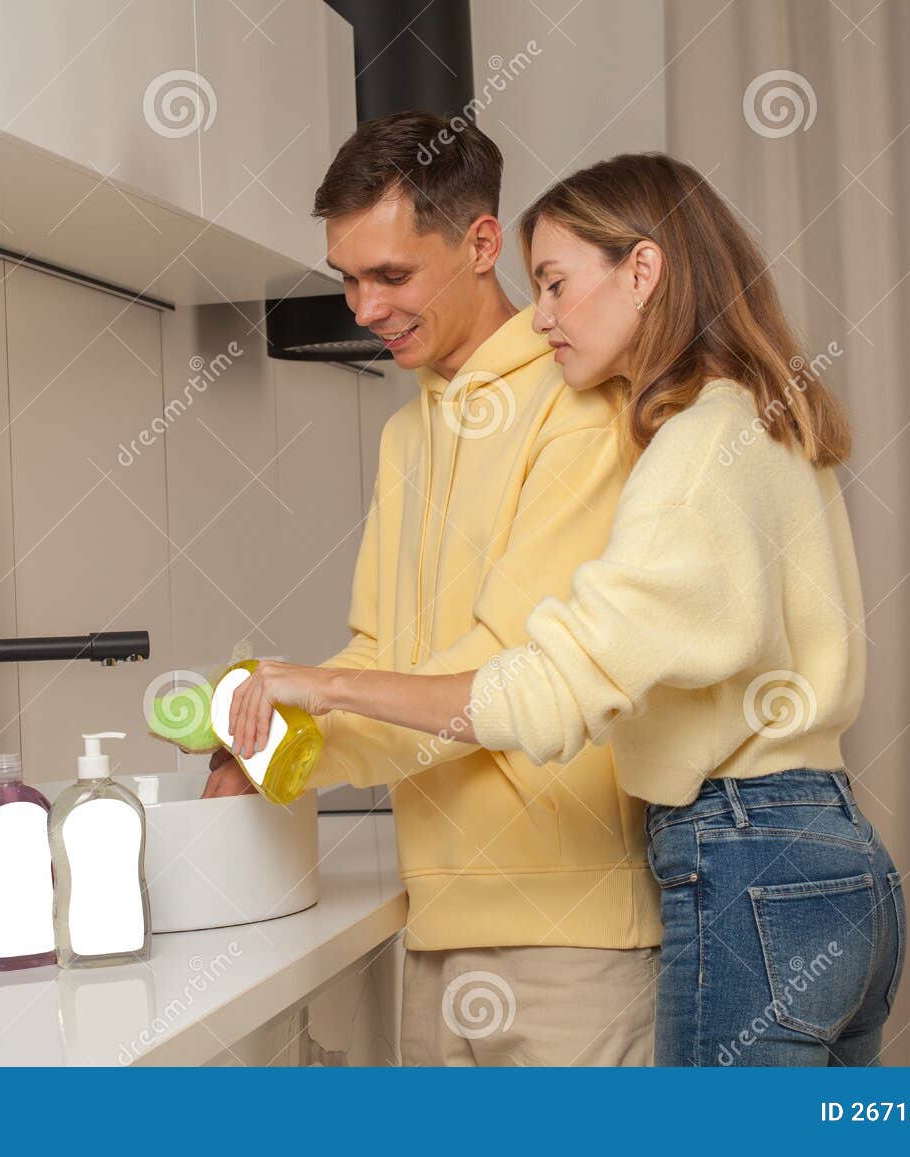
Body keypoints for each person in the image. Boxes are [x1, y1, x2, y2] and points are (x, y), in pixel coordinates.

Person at [221, 152, 907, 1067]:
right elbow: (408, 651)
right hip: (815, 849)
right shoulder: (747, 418)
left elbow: (546, 681)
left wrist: (329, 686)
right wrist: (281, 739)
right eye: (348, 279)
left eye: (554, 283)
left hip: (729, 859)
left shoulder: (655, 426)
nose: (544, 314)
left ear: (643, 269)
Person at [204, 113, 661, 1066]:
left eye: (391, 276)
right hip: (437, 920)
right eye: (347, 278)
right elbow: (382, 658)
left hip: (572, 939)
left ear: (483, 242)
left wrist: (313, 697)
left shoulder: (579, 408)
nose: (363, 308)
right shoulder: (406, 436)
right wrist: (269, 742)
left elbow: (509, 672)